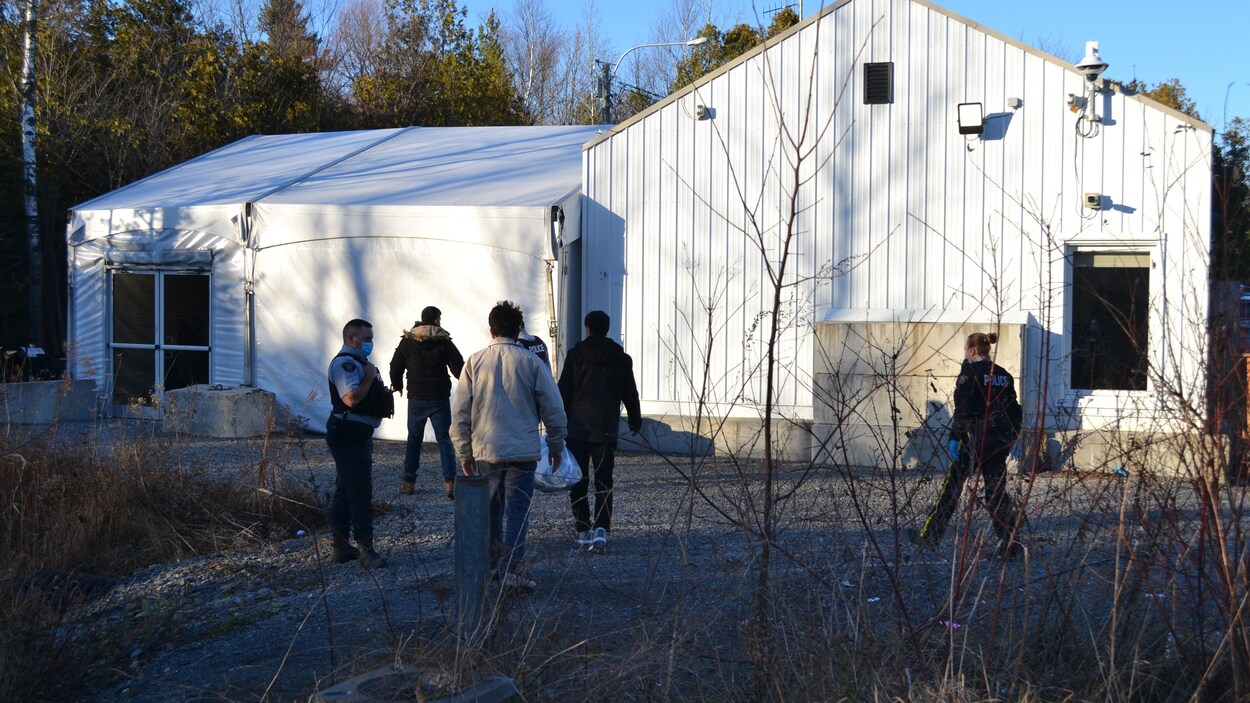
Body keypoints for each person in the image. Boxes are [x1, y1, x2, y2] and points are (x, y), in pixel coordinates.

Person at [451, 301, 568, 590]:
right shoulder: (532, 362)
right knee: (517, 511)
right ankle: (512, 569)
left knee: (491, 509)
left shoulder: (474, 362)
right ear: (519, 330)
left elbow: (460, 412)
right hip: (522, 450)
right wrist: (555, 444)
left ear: (490, 330)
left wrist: (463, 451)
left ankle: (490, 567)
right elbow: (553, 408)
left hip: (486, 450)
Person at [910, 332, 1024, 560]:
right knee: (996, 492)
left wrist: (956, 437)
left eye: (965, 349)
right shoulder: (1003, 375)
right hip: (998, 442)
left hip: (975, 441)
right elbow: (1015, 410)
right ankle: (1011, 543)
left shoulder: (969, 375)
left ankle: (930, 535)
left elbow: (964, 411)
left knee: (951, 488)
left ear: (972, 351)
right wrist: (1013, 436)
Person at [558, 310, 642, 555]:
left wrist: (557, 421)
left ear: (587, 328)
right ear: (607, 329)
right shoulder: (621, 358)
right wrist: (635, 421)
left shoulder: (574, 356)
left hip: (578, 428)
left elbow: (564, 391)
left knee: (579, 478)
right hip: (606, 428)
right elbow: (630, 392)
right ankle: (602, 530)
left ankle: (582, 528)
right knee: (604, 479)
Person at [326, 319, 393, 569]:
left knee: (345, 490)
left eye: (371, 338)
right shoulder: (346, 364)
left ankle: (341, 547)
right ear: (352, 339)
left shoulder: (361, 363)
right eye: (367, 339)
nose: (370, 343)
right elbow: (351, 399)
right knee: (361, 493)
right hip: (348, 433)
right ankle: (366, 550)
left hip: (357, 433)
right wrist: (369, 377)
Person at [389, 306, 465, 500]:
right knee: (445, 440)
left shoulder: (407, 341)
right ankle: (450, 483)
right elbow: (458, 367)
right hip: (439, 397)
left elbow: (395, 365)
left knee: (414, 440)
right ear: (437, 320)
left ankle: (409, 482)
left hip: (416, 397)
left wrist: (397, 385)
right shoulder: (444, 341)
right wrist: (468, 385)